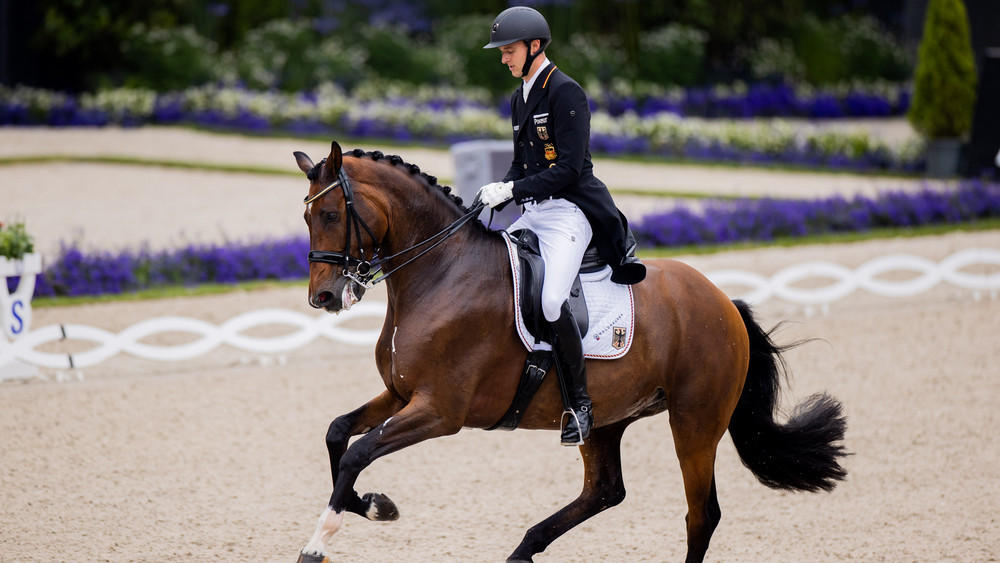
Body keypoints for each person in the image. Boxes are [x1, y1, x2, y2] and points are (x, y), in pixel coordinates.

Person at [477, 6, 645, 446]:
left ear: (535, 47)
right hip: (534, 210)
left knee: (552, 299)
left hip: (570, 213)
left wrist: (512, 190)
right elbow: (520, 163)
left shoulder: (566, 92)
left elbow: (570, 169)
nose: (504, 59)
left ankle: (581, 404)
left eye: (509, 51)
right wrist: (499, 188)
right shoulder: (520, 97)